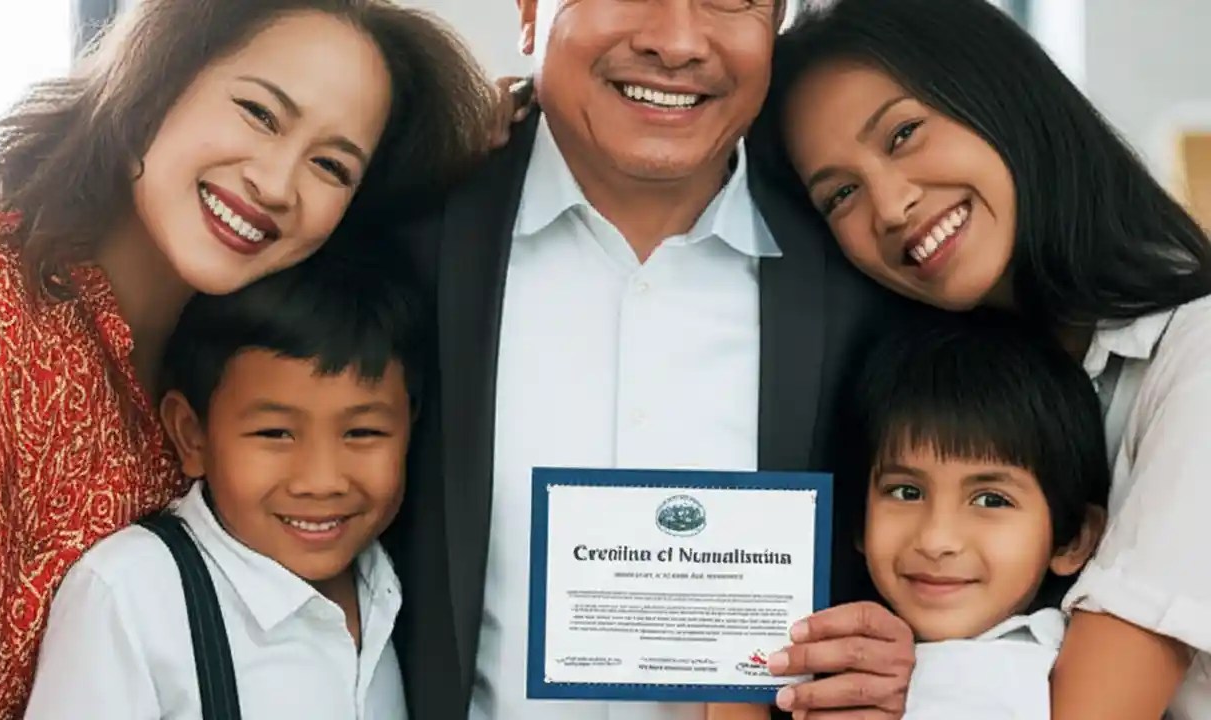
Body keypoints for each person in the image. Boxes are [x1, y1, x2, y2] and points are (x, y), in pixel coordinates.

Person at [0, 0, 492, 716]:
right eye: (260, 113)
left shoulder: (243, 354)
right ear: (157, 82)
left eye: (331, 164)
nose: (277, 183)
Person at [369, 1, 925, 718]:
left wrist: (910, 667)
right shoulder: (396, 234)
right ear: (532, 13)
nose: (676, 42)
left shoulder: (869, 282)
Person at [770, 0, 1211, 717]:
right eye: (840, 193)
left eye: (904, 133)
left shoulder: (1197, 358)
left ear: (1003, 96)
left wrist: (918, 682)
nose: (889, 205)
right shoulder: (948, 378)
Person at [24, 247, 420, 719]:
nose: (322, 482)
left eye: (363, 433)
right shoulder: (133, 596)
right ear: (192, 437)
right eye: (275, 433)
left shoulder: (396, 584)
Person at [846, 317, 1109, 719]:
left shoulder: (1007, 675)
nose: (936, 539)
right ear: (859, 517)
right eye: (906, 492)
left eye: (990, 500)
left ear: (1073, 538)